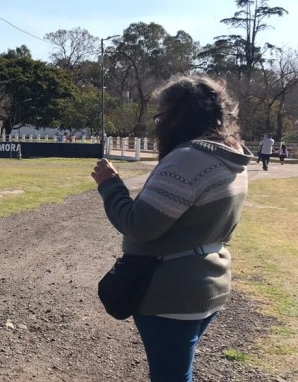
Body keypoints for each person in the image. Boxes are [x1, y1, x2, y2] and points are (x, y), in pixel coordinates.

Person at [90, 76, 250, 382]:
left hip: (172, 291)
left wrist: (110, 185)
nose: (159, 122)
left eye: (162, 114)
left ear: (179, 115)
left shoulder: (188, 159)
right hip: (207, 280)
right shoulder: (228, 156)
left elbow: (138, 225)